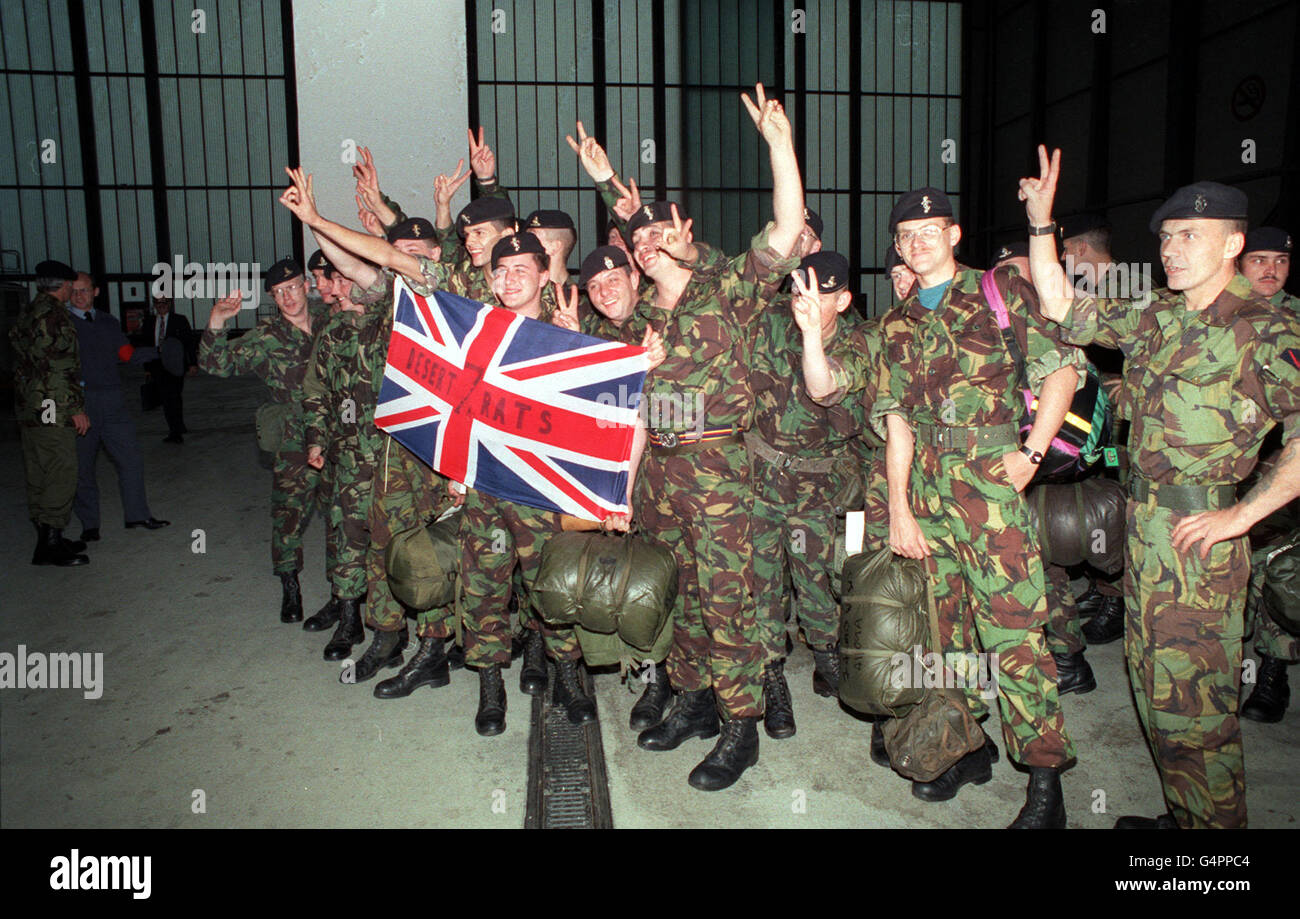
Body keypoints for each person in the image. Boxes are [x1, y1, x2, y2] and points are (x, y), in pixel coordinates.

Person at [1023, 146, 1300, 829]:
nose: (1171, 249)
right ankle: (1186, 817)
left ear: (1234, 242)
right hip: (1143, 531)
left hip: (1198, 548)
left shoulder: (1262, 329)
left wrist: (1243, 514)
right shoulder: (1153, 312)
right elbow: (1059, 303)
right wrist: (1040, 223)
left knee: (1197, 716)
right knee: (1152, 695)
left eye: (1190, 236)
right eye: (1167, 236)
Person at [571, 84, 805, 790]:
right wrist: (621, 490)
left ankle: (742, 725)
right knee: (684, 595)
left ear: (687, 231)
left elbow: (788, 228)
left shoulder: (726, 288)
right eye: (635, 242)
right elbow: (636, 414)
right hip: (664, 476)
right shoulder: (644, 322)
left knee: (729, 598)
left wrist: (779, 146)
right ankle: (695, 698)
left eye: (655, 235)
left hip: (719, 469)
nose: (644, 248)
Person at [876, 183, 1083, 827]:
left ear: (954, 234)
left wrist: (1033, 453)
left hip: (993, 486)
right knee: (946, 628)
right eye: (908, 236)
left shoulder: (1001, 292)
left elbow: (1062, 370)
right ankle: (968, 743)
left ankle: (1045, 779)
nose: (919, 241)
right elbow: (898, 422)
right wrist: (899, 509)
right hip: (929, 492)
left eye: (931, 229)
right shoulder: (896, 322)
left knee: (1013, 631)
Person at [747, 250, 873, 739]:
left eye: (823, 296)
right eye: (801, 292)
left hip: (815, 485)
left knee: (816, 579)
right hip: (759, 479)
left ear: (842, 300)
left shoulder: (857, 343)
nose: (809, 303)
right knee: (761, 582)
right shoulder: (767, 322)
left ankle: (827, 657)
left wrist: (812, 338)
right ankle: (771, 676)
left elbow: (835, 403)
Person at [990, 245, 1096, 695]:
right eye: (1006, 275)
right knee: (1038, 563)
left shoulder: (1051, 325)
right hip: (1029, 463)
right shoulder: (1001, 323)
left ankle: (1064, 658)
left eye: (1022, 272)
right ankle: (1067, 657)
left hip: (1040, 463)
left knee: (1035, 564)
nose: (1015, 283)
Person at [199, 258, 328, 624]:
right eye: (278, 292)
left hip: (337, 432)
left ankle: (343, 592)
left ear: (307, 285)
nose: (287, 297)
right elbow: (216, 364)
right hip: (294, 439)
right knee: (289, 515)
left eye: (292, 287)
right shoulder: (266, 336)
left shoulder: (331, 319)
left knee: (342, 514)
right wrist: (217, 320)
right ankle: (290, 585)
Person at [67, 272, 169, 540]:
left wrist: (157, 352)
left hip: (113, 401)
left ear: (96, 292)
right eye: (74, 291)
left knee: (131, 459)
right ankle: (90, 525)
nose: (79, 296)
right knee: (83, 466)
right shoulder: (63, 324)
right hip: (81, 403)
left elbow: (126, 354)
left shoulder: (108, 322)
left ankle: (137, 515)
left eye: (84, 290)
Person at [11, 259, 91, 566]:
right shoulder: (55, 316)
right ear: (66, 285)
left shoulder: (28, 312)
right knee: (61, 469)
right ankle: (50, 544)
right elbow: (58, 367)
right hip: (52, 406)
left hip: (30, 405)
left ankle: (46, 537)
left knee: (39, 470)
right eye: (72, 285)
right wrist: (75, 408)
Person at [146, 295, 195, 444]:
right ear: (154, 304)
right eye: (158, 303)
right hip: (157, 365)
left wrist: (192, 364)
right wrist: (146, 368)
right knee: (167, 398)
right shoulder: (148, 322)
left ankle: (176, 429)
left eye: (164, 302)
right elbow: (145, 345)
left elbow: (189, 343)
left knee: (173, 396)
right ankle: (176, 429)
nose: (161, 305)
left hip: (175, 365)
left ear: (170, 304)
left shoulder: (180, 320)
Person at [1239, 226, 1295, 311]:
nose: (1272, 271)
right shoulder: (1219, 310)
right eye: (1259, 261)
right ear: (1238, 265)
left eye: (1281, 261)